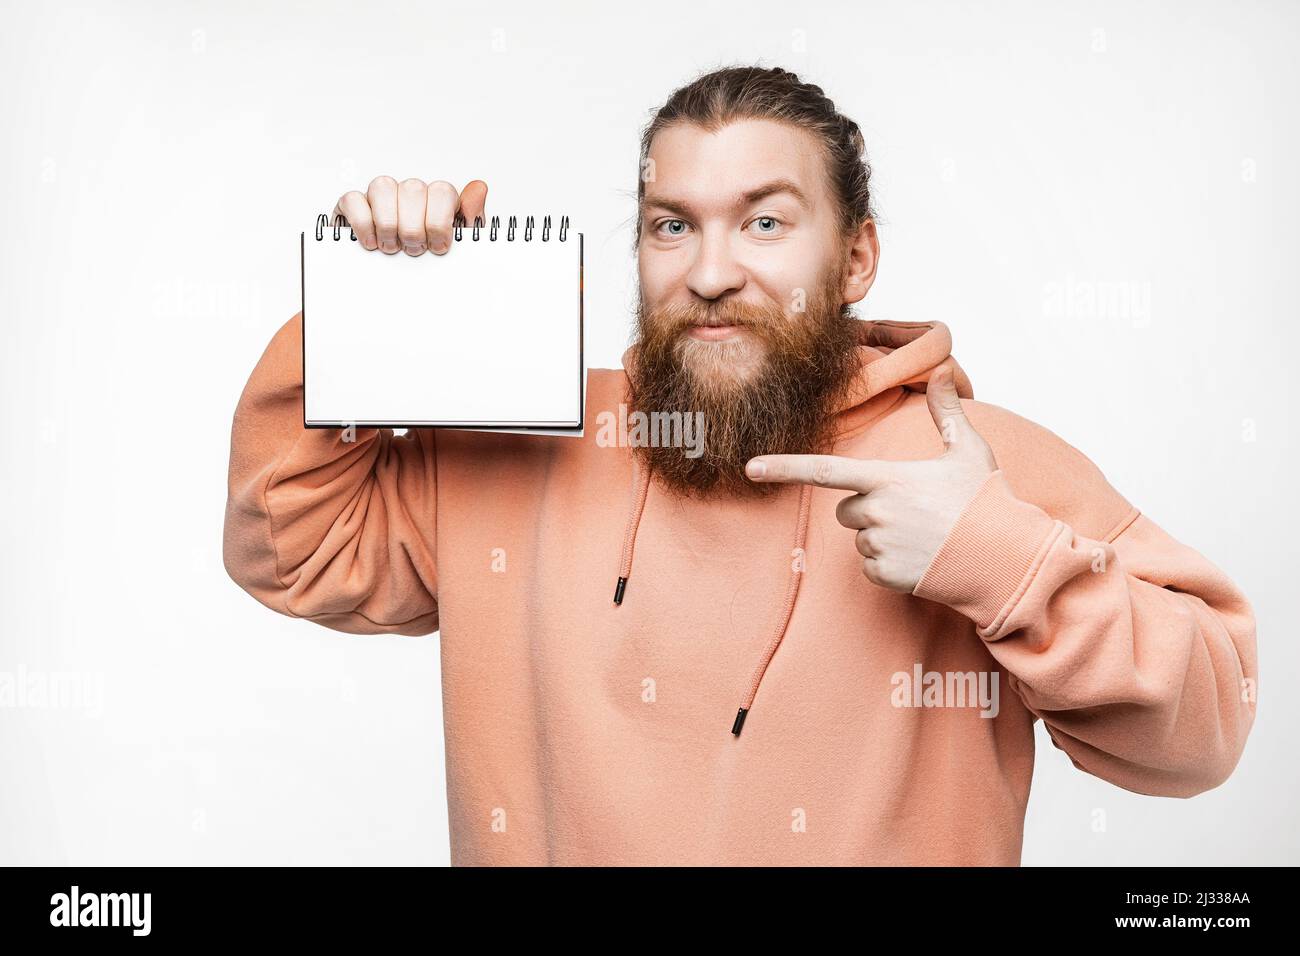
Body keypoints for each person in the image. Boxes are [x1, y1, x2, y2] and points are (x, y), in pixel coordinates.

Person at [222, 65, 1258, 865]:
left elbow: (1203, 730)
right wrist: (366, 312)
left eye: (765, 221)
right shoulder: (524, 443)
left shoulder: (971, 460)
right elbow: (291, 548)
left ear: (853, 257)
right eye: (673, 226)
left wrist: (996, 555)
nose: (711, 274)